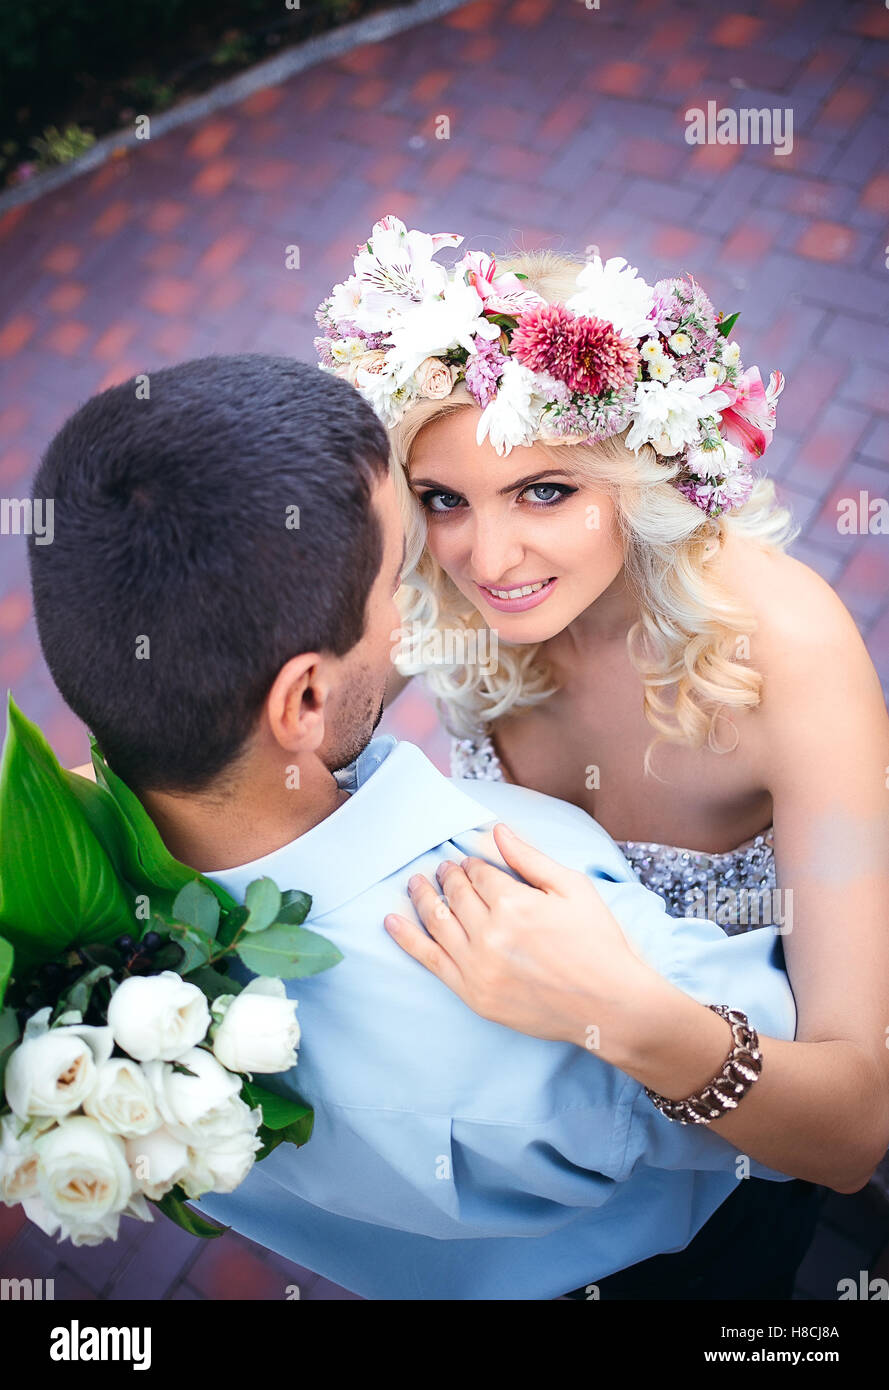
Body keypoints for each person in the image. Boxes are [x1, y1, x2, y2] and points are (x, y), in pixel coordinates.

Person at [33, 354, 801, 1301]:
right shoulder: (536, 916)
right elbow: (816, 1104)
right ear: (304, 696)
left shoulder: (50, 949)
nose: (462, 572)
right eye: (400, 580)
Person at [315, 215, 889, 1294]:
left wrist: (615, 1010)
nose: (490, 559)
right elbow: (292, 726)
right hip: (533, 1139)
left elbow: (852, 1124)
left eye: (545, 491)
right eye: (445, 500)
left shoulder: (794, 655)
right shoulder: (448, 589)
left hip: (729, 1164)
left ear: (641, 474)